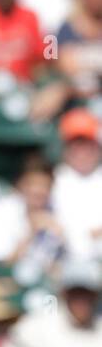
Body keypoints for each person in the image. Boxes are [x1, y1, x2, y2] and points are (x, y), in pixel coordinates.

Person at [7, 258, 102, 347]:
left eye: (88, 294)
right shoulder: (34, 327)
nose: (82, 300)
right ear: (64, 293)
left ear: (96, 296)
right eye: (75, 293)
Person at [0, 155, 64, 275]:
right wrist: (31, 234)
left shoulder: (56, 211)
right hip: (4, 280)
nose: (39, 191)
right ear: (20, 185)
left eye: (45, 186)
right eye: (33, 185)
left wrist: (63, 240)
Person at [49, 108, 102, 262]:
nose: (82, 153)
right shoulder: (51, 180)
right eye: (76, 146)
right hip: (60, 259)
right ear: (65, 149)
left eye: (87, 145)